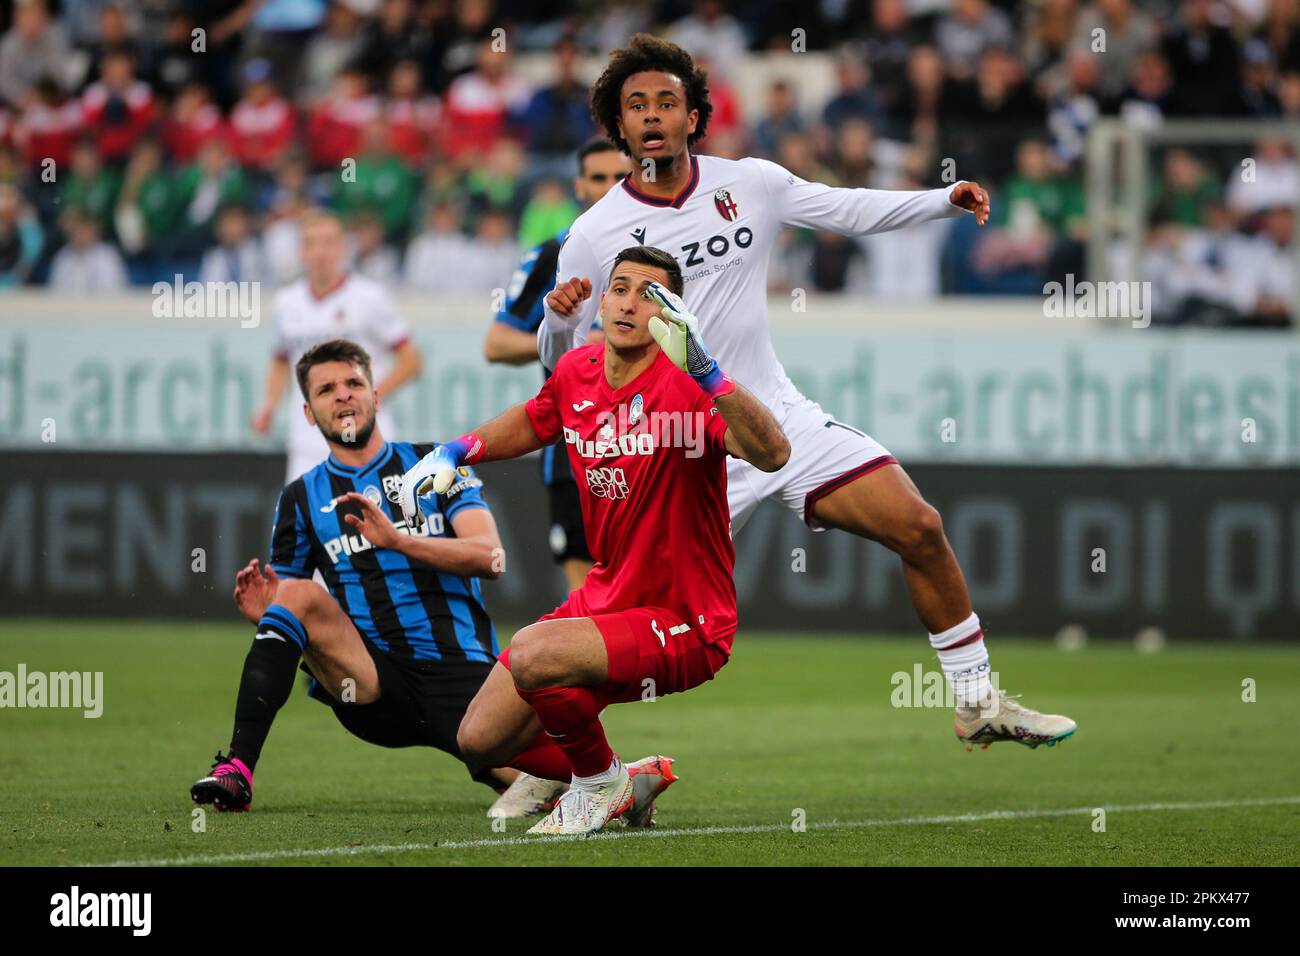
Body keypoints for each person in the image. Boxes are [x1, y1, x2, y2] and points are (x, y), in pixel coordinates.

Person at [536, 34, 1076, 753]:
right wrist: (552, 318)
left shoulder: (751, 184)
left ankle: (977, 701)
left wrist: (942, 201)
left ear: (694, 115)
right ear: (619, 126)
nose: (654, 115)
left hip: (772, 420)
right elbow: (564, 369)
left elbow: (848, 208)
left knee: (917, 525)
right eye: (637, 106)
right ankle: (530, 755)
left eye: (668, 101)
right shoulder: (593, 235)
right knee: (605, 633)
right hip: (680, 455)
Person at [399, 246, 791, 834]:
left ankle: (596, 784)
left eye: (649, 293)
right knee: (478, 740)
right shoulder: (577, 369)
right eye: (621, 287)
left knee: (533, 653)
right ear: (602, 300)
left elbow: (773, 453)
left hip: (686, 617)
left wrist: (708, 371)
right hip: (607, 596)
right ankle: (619, 780)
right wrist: (457, 450)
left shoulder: (690, 385)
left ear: (672, 313)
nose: (629, 302)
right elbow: (536, 418)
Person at [191, 338, 509, 812]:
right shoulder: (300, 499)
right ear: (307, 413)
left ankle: (621, 779)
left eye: (353, 383)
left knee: (558, 790)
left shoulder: (436, 464)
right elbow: (290, 602)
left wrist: (399, 541)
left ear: (376, 397)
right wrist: (269, 612)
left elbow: (490, 558)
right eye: (326, 390)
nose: (342, 395)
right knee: (296, 595)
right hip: (370, 682)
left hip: (463, 677)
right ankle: (237, 768)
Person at [484, 138, 631, 595]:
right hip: (577, 444)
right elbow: (497, 343)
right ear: (579, 187)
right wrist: (565, 340)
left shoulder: (668, 252)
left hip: (654, 438)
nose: (610, 188)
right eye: (598, 178)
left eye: (619, 178)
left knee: (647, 595)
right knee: (586, 598)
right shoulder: (553, 255)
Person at [253, 210, 422, 481]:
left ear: (343, 248)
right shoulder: (286, 303)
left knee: (377, 521)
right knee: (305, 522)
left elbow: (411, 361)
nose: (321, 251)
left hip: (366, 440)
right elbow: (281, 358)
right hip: (308, 443)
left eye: (329, 242)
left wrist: (371, 396)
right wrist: (269, 407)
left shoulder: (370, 297)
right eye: (312, 243)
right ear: (301, 252)